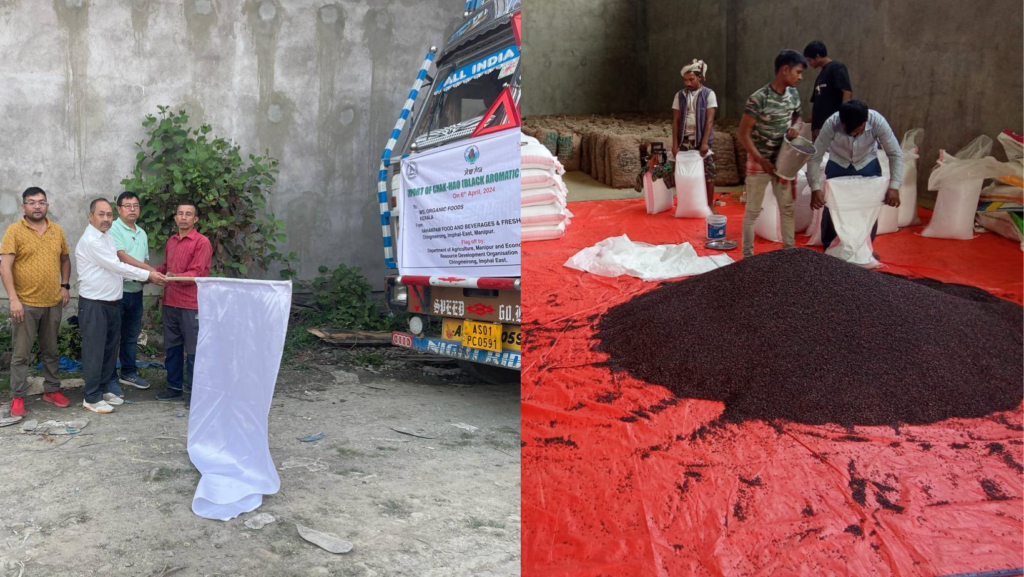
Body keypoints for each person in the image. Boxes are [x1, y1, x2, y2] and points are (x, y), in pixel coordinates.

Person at [76, 199, 166, 414]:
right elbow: (117, 266)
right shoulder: (91, 240)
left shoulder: (106, 237)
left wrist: (147, 274)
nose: (106, 219)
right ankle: (91, 396)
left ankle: (104, 388)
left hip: (111, 303)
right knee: (94, 352)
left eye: (109, 215)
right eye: (101, 214)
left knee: (109, 350)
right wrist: (148, 275)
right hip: (94, 304)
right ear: (91, 216)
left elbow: (116, 267)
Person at [0, 187, 72, 418]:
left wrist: (65, 286)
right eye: (32, 202)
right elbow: (5, 267)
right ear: (24, 207)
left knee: (51, 351)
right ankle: (18, 396)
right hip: (25, 304)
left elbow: (65, 259)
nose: (37, 206)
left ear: (47, 206)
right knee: (21, 354)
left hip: (52, 303)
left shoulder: (56, 231)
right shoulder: (14, 231)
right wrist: (13, 299)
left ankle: (52, 390)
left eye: (41, 202)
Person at [737, 49, 807, 259]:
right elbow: (743, 134)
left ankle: (789, 255)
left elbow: (799, 119)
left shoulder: (793, 95)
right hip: (759, 162)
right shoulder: (759, 98)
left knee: (786, 208)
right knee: (753, 211)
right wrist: (760, 160)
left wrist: (796, 127)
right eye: (798, 71)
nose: (800, 77)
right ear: (785, 70)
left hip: (783, 162)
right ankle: (747, 257)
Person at [808, 100, 903, 250]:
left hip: (867, 164)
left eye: (857, 130)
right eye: (849, 130)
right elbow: (815, 156)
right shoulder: (832, 123)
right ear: (842, 121)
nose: (853, 134)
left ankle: (866, 249)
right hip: (838, 163)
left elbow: (895, 154)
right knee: (832, 205)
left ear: (865, 121)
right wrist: (815, 188)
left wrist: (894, 186)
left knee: (868, 207)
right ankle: (829, 246)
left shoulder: (877, 121)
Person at [155, 202, 212, 404]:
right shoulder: (171, 241)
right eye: (180, 213)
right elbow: (165, 266)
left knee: (194, 350)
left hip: (191, 304)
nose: (184, 217)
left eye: (188, 214)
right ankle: (174, 387)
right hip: (170, 302)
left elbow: (196, 273)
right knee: (172, 348)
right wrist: (149, 272)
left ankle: (194, 393)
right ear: (175, 217)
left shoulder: (201, 242)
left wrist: (172, 276)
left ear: (195, 219)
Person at [108, 192, 157, 396]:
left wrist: (148, 275)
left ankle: (128, 372)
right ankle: (109, 378)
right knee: (112, 337)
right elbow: (121, 256)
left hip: (136, 292)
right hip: (117, 293)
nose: (132, 209)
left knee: (130, 336)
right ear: (118, 209)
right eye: (127, 206)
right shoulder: (113, 229)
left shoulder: (142, 233)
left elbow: (143, 260)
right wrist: (148, 271)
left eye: (135, 206)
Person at [671, 59, 718, 213]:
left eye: (691, 79)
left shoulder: (708, 94)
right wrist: (675, 144)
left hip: (701, 140)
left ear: (700, 77)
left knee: (709, 172)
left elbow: (709, 120)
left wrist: (704, 143)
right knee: (684, 173)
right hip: (684, 139)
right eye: (685, 80)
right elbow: (676, 120)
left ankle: (709, 205)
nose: (688, 83)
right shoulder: (680, 95)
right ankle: (687, 204)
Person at [803, 41, 853, 141]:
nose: (809, 64)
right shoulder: (821, 76)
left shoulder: (836, 67)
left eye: (809, 60)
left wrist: (843, 117)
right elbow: (818, 101)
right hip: (819, 126)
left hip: (831, 126)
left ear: (817, 56)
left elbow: (847, 91)